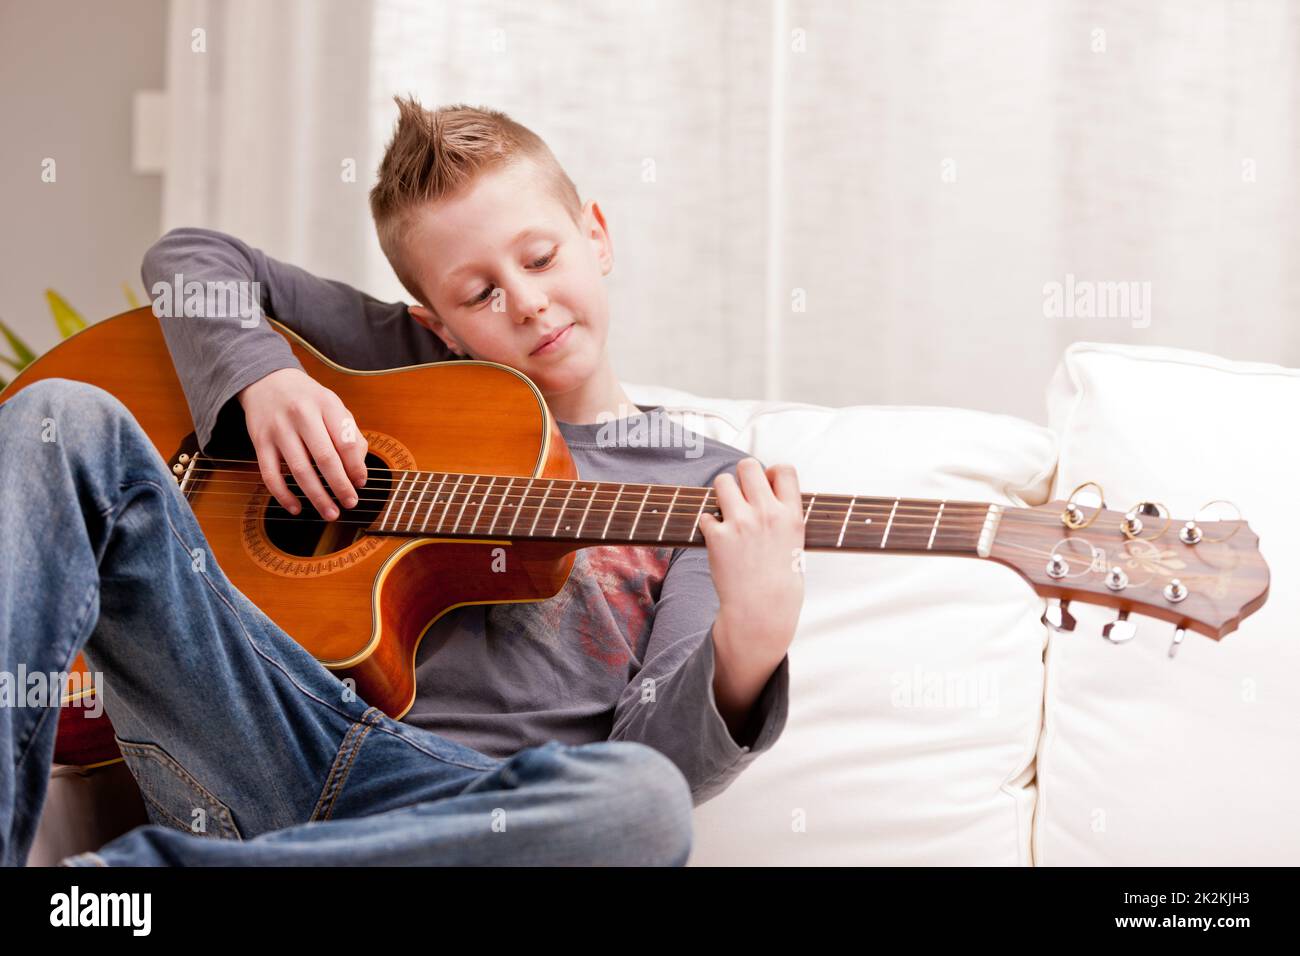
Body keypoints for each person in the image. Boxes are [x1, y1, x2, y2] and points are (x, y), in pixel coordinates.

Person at [0, 97, 804, 867]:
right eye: (479, 293)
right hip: (267, 728)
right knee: (63, 415)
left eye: (540, 258)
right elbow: (190, 260)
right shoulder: (418, 365)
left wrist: (747, 645)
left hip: (467, 809)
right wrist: (266, 381)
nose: (525, 302)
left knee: (639, 804)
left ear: (595, 235)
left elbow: (653, 760)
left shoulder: (709, 485)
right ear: (439, 325)